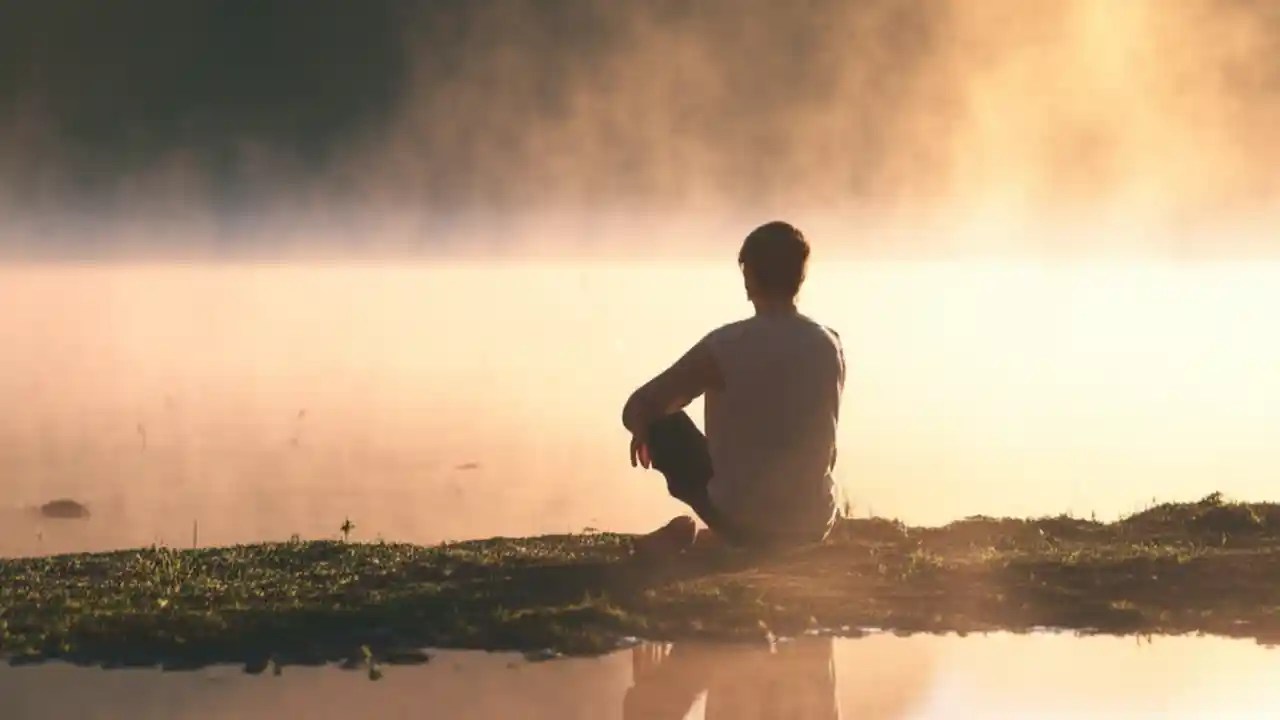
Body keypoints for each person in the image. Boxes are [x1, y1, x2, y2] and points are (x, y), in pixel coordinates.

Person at [621, 220, 846, 555]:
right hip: (813, 523)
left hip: (747, 524)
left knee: (665, 429)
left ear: (749, 278)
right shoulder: (830, 344)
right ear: (800, 277)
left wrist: (644, 429)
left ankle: (726, 529)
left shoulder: (725, 347)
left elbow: (640, 404)